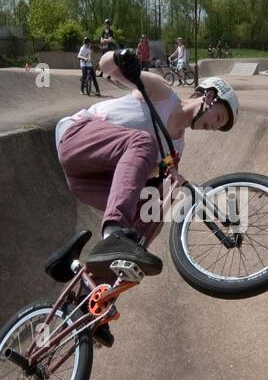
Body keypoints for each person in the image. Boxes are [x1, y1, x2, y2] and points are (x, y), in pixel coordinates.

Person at [55, 48, 239, 276]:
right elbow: (105, 66)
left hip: (87, 182)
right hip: (76, 137)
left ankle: (97, 285)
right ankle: (113, 233)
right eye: (218, 118)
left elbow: (151, 185)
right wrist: (119, 57)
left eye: (218, 128)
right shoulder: (162, 93)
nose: (213, 127)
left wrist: (167, 198)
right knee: (145, 142)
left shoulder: (176, 149)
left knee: (153, 210)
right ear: (209, 97)